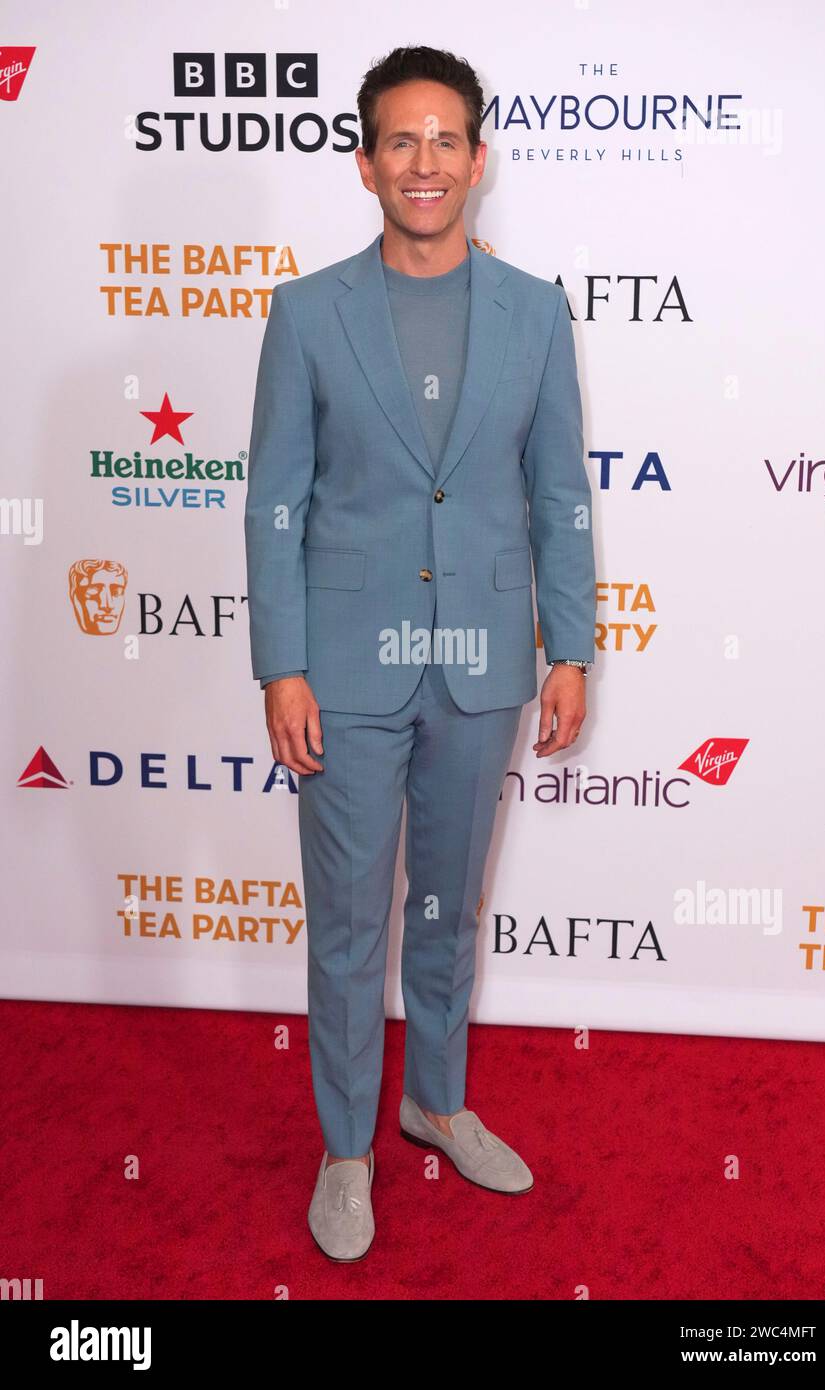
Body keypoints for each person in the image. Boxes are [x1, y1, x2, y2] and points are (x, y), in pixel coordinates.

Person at [244, 45, 596, 1262]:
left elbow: (558, 496)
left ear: (479, 159)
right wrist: (280, 664)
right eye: (401, 139)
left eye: (447, 138)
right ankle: (348, 1149)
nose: (425, 160)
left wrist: (572, 645)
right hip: (341, 663)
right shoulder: (305, 312)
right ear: (364, 162)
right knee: (349, 919)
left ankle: (433, 1103)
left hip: (485, 656)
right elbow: (273, 501)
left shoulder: (535, 311)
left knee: (446, 909)